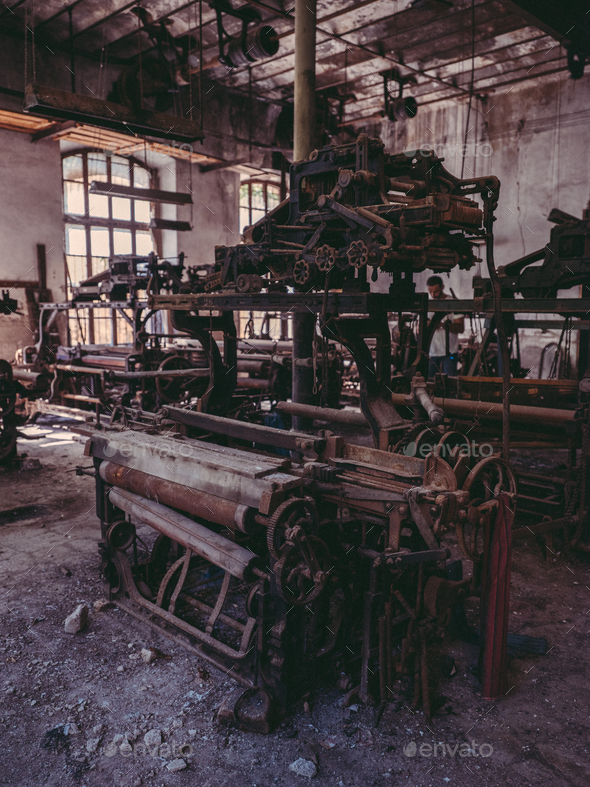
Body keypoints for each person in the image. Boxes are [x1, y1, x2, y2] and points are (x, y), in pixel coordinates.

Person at [426, 275, 464, 378]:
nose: (433, 295)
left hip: (449, 353)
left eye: (436, 291)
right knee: (430, 383)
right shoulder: (428, 304)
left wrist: (443, 325)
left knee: (449, 383)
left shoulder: (452, 303)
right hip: (431, 353)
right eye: (430, 292)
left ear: (442, 287)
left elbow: (460, 328)